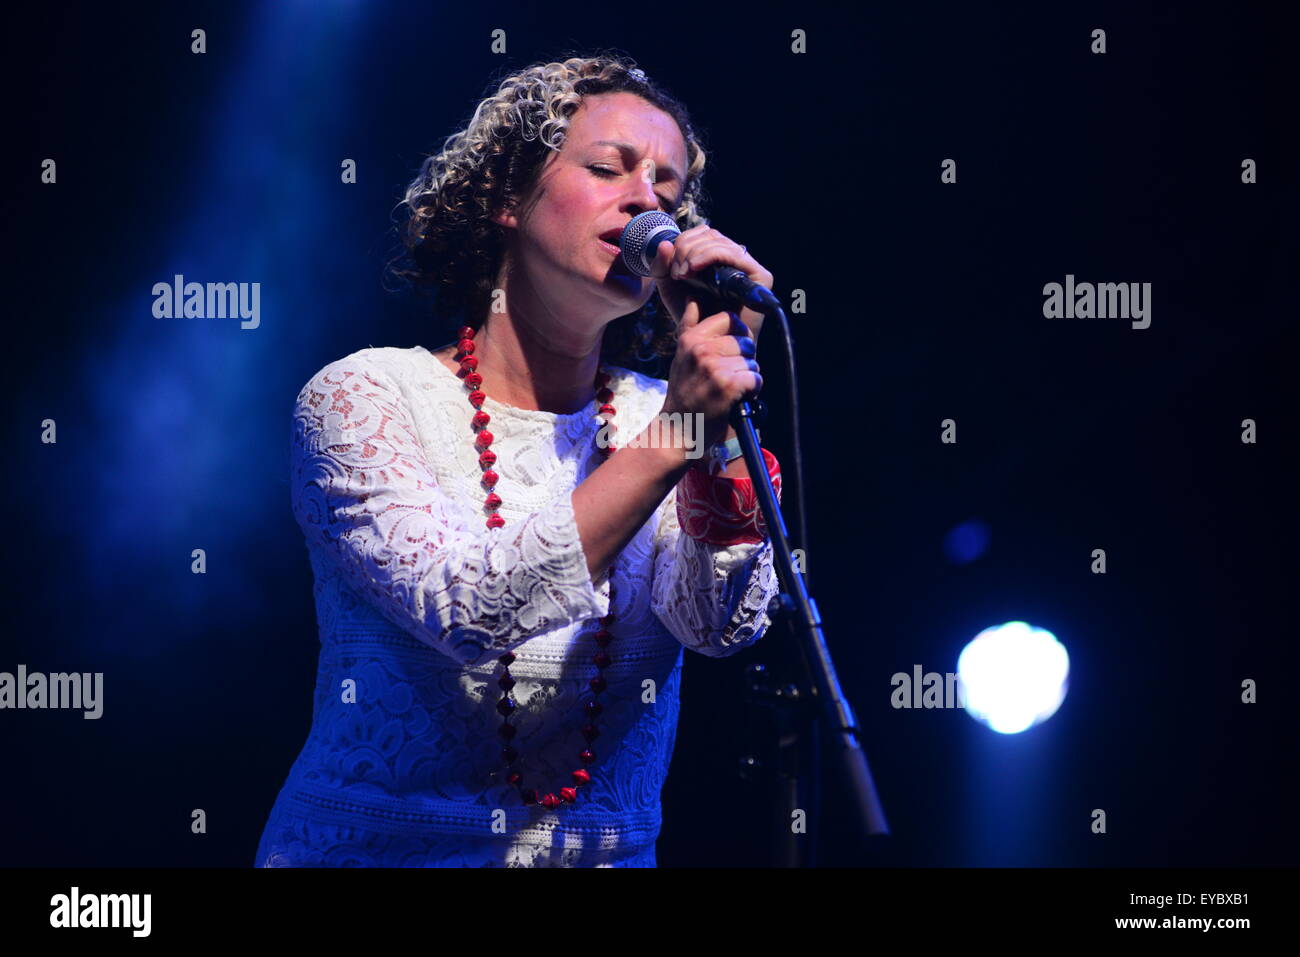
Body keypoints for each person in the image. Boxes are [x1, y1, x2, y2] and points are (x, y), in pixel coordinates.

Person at [254, 54, 784, 867]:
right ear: (506, 197)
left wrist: (717, 421)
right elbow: (470, 609)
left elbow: (720, 623)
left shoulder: (656, 413)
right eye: (609, 168)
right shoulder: (364, 396)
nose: (648, 199)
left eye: (669, 191)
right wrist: (679, 433)